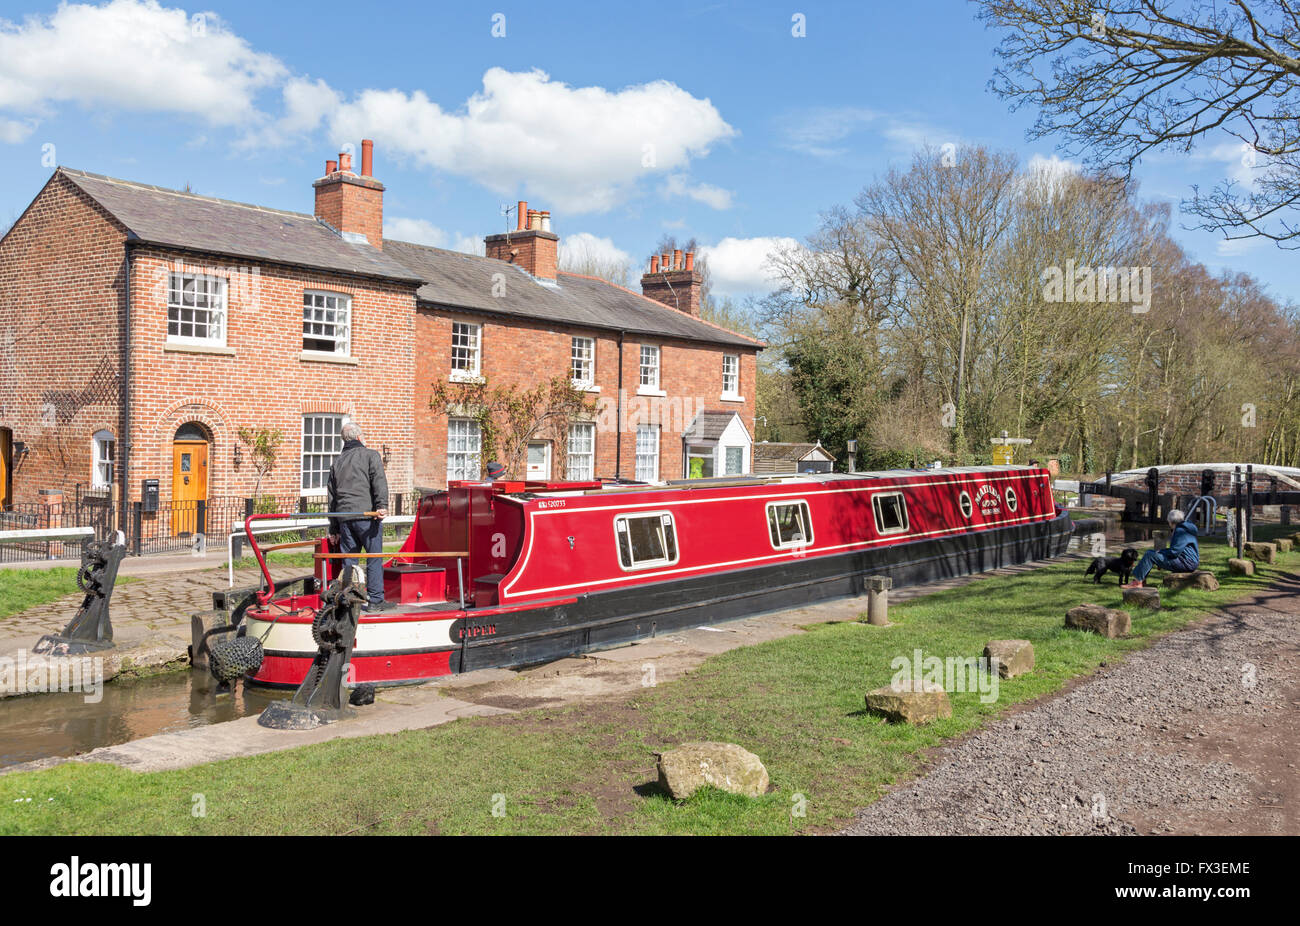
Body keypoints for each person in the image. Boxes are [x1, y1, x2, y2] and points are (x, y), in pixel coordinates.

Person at [327, 422, 390, 611]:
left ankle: (349, 600)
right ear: (360, 437)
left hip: (345, 518)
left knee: (350, 561)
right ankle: (376, 600)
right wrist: (382, 505)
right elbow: (378, 480)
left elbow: (332, 497)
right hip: (367, 516)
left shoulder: (336, 462)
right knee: (374, 557)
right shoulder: (370, 455)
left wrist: (334, 528)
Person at [1124, 509, 1199, 588]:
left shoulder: (1181, 531)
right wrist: (1160, 554)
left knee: (1150, 555)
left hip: (1186, 563)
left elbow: (1174, 552)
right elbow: (1176, 550)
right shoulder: (1187, 528)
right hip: (1188, 561)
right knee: (1150, 552)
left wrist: (1161, 553)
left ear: (1171, 521)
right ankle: (1141, 580)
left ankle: (1137, 582)